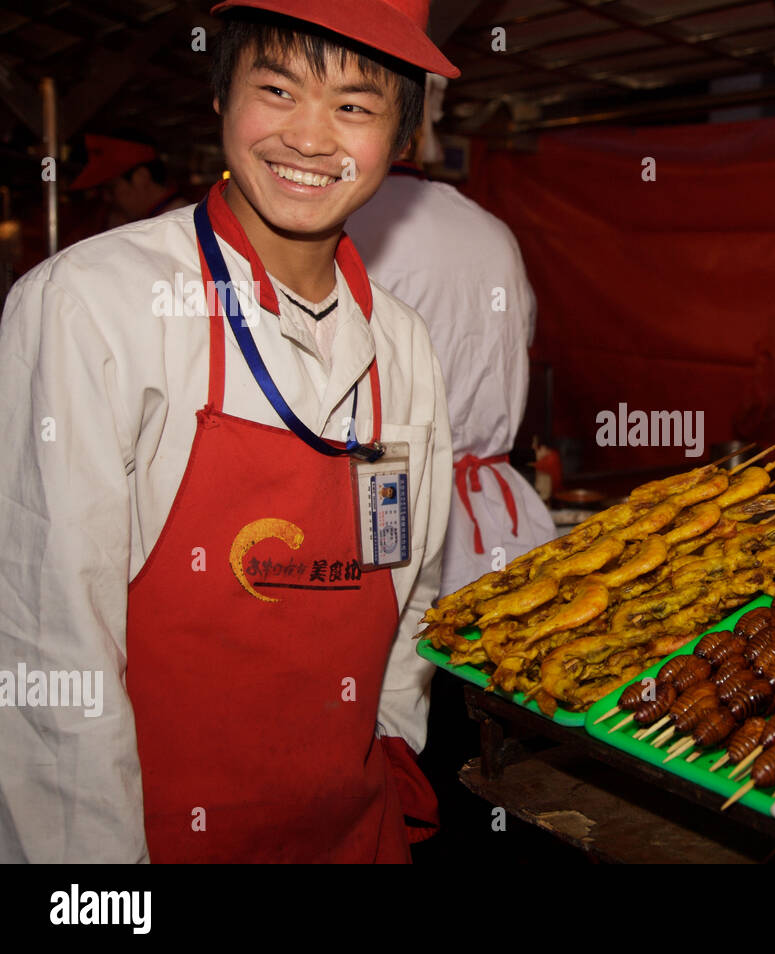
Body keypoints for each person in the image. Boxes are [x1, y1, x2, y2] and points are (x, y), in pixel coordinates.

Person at [0, 0, 460, 863]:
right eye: (278, 89)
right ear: (219, 99)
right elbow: (44, 641)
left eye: (355, 107)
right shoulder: (92, 305)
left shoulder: (402, 343)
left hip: (352, 834)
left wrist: (394, 746)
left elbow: (409, 577)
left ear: (403, 142)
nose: (312, 137)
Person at [348, 75, 557, 597]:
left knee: (391, 669)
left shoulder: (338, 225)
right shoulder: (492, 230)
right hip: (491, 524)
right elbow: (518, 344)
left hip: (385, 512)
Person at [69, 134, 190, 223]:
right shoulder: (164, 219)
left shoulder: (174, 224)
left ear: (140, 177)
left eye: (111, 188)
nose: (106, 198)